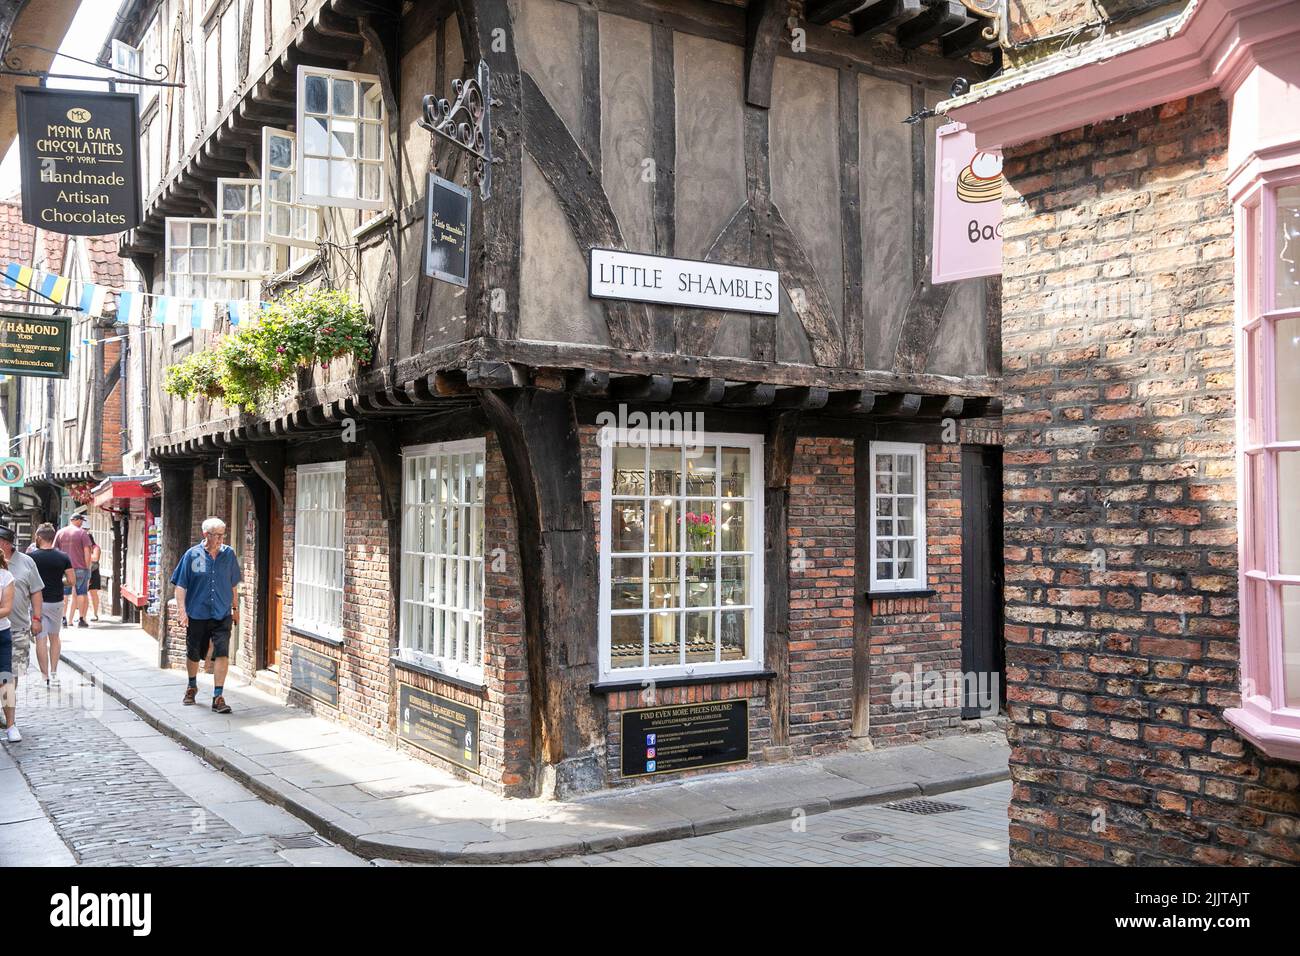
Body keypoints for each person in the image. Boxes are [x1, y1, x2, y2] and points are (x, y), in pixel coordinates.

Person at [171, 517, 241, 714]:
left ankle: (218, 696)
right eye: (216, 535)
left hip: (221, 613)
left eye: (222, 535)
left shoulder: (229, 555)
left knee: (222, 652)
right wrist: (182, 612)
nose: (220, 539)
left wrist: (235, 609)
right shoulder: (191, 556)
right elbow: (181, 585)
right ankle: (192, 686)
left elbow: (233, 584)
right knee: (194, 653)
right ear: (205, 535)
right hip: (197, 614)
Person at [0, 526, 43, 742]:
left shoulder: (26, 562)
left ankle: (9, 717)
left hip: (16, 628)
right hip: (6, 629)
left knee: (11, 675)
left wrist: (36, 618)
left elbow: (36, 591)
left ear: (6, 543)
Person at [29, 524, 75, 687]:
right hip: (56, 602)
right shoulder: (63, 557)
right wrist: (58, 580)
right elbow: (71, 580)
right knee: (54, 638)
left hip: (38, 602)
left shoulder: (32, 557)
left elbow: (28, 581)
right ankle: (55, 674)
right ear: (53, 537)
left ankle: (45, 677)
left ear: (39, 538)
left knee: (40, 639)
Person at [53, 511, 94, 628]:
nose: (81, 523)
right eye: (80, 520)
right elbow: (87, 551)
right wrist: (87, 567)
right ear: (76, 520)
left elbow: (54, 550)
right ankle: (81, 619)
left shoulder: (60, 532)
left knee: (65, 594)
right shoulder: (82, 533)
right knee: (81, 593)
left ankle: (63, 618)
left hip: (64, 569)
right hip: (80, 568)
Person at [0, 551, 15, 744]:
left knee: (5, 680)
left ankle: (11, 726)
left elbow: (6, 608)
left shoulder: (5, 577)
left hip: (1, 633)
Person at [87, 531, 102, 622]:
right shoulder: (83, 548)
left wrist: (85, 555)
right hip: (84, 571)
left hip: (93, 572)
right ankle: (83, 614)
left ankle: (95, 613)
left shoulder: (96, 547)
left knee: (93, 593)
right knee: (82, 594)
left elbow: (95, 558)